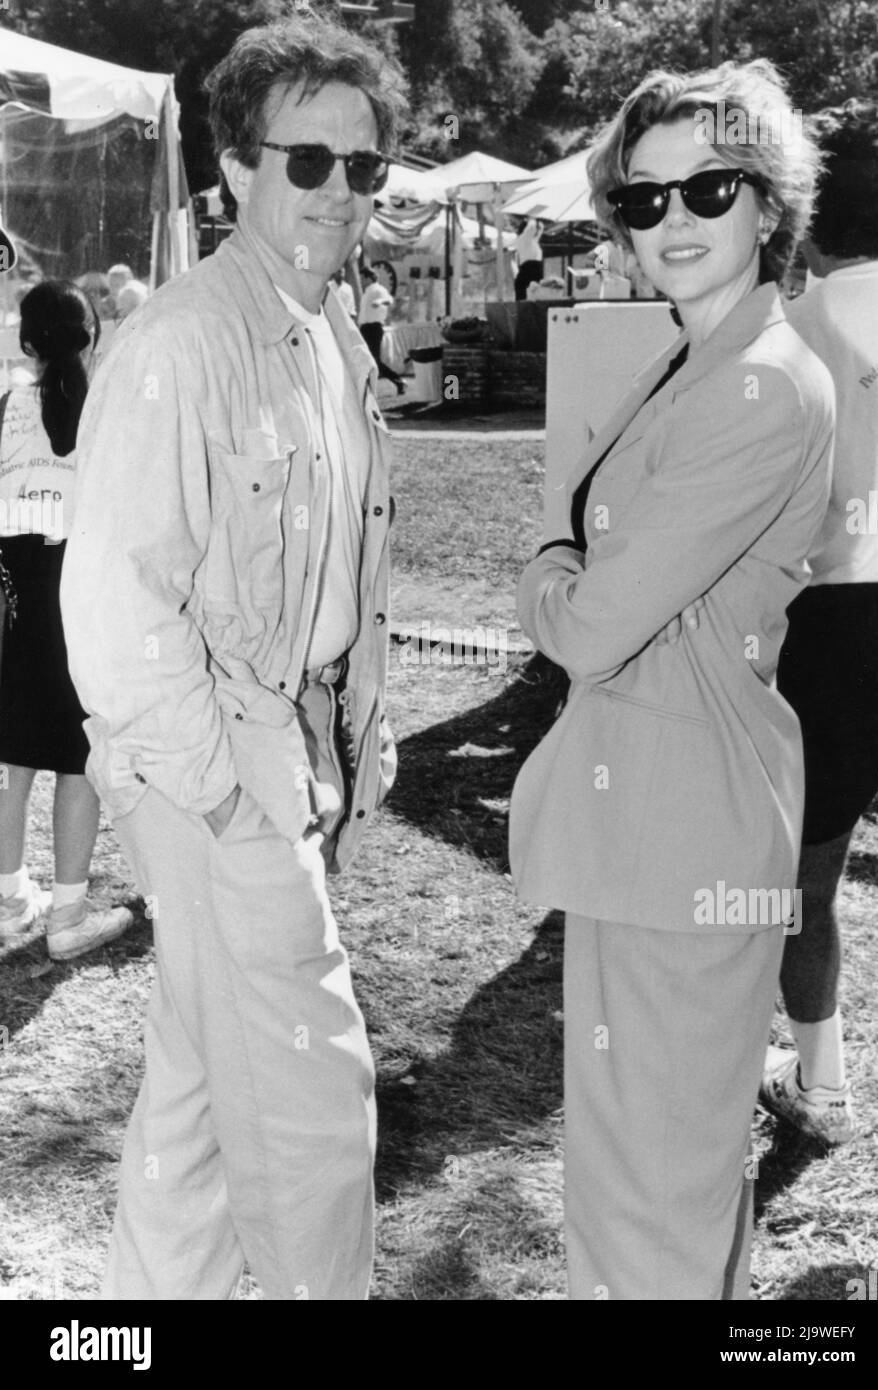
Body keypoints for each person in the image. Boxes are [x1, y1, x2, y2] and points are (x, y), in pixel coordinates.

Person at [61, 12, 404, 1300]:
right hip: (220, 771)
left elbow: (345, 568)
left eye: (362, 167)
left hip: (291, 751)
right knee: (315, 1112)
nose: (338, 192)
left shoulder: (330, 334)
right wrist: (219, 790)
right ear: (235, 170)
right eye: (305, 162)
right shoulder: (181, 342)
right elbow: (113, 607)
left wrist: (351, 731)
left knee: (198, 1101)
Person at [509, 58, 835, 1300]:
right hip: (649, 815)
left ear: (769, 203)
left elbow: (589, 620)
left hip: (682, 825)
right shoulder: (699, 358)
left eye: (707, 186)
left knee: (654, 1181)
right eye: (641, 201)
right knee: (641, 1167)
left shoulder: (753, 382)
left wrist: (544, 571)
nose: (673, 220)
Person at [759, 101, 878, 1144]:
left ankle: (824, 1087)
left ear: (805, 214)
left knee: (802, 877)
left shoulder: (787, 330)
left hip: (838, 622)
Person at [0, 281, 132, 960]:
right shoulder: (110, 409)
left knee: (11, 755)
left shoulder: (5, 401)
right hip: (82, 594)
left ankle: (6, 897)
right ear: (93, 336)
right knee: (77, 757)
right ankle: (68, 916)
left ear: (26, 339)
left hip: (10, 589)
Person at [357, 264, 405, 392]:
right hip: (365, 328)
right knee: (366, 358)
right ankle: (367, 387)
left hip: (373, 328)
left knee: (374, 360)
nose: (360, 281)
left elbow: (389, 300)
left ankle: (398, 380)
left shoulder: (378, 289)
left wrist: (379, 302)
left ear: (369, 278)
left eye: (362, 278)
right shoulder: (367, 292)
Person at [514, 215, 543, 300]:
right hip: (528, 271)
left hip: (534, 271)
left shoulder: (531, 241)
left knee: (534, 299)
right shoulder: (523, 238)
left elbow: (539, 230)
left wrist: (539, 223)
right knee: (526, 300)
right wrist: (532, 218)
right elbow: (531, 227)